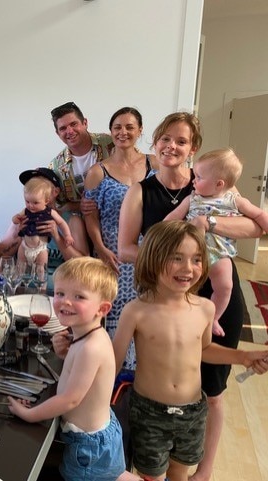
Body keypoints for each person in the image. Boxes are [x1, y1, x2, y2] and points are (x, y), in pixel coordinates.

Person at [116, 111, 263, 481]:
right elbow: (125, 248)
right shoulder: (141, 191)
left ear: (193, 148)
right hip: (166, 294)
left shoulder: (212, 182)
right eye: (165, 138)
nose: (171, 146)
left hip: (216, 295)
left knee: (212, 390)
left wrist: (208, 223)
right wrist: (170, 260)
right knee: (163, 373)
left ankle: (205, 469)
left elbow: (252, 226)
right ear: (155, 142)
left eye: (181, 141)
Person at [113, 220, 268, 481]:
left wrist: (243, 357)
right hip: (149, 414)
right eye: (177, 258)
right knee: (151, 476)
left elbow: (204, 349)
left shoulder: (205, 308)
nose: (188, 268)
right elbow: (113, 362)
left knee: (179, 473)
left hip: (192, 412)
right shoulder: (136, 311)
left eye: (197, 259)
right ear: (152, 259)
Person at [8, 257, 140, 481]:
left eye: (79, 296)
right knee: (112, 475)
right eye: (60, 293)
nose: (66, 302)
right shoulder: (85, 335)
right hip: (97, 435)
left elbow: (70, 400)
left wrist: (29, 414)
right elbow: (82, 377)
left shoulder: (91, 347)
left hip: (88, 447)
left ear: (102, 308)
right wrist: (65, 355)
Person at [164, 148, 268, 337]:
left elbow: (259, 215)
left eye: (199, 177)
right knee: (185, 289)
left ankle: (214, 318)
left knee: (225, 286)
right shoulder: (192, 199)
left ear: (219, 184)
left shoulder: (235, 201)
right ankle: (182, 318)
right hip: (190, 254)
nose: (194, 180)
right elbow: (171, 218)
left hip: (219, 255)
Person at [83, 107, 157, 371]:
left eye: (129, 127)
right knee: (115, 313)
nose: (123, 132)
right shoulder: (98, 172)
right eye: (117, 127)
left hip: (149, 253)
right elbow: (90, 215)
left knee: (149, 311)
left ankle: (146, 373)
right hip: (113, 254)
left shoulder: (155, 164)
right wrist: (101, 248)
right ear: (111, 131)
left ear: (140, 130)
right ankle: (114, 375)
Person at [0, 168, 84, 294]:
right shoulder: (23, 217)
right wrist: (20, 235)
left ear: (55, 192)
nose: (34, 187)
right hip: (21, 287)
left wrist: (57, 236)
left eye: (40, 183)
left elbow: (83, 267)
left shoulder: (71, 220)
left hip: (56, 291)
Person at [48, 101, 115, 255]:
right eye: (63, 128)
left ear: (85, 123)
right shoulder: (56, 166)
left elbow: (135, 166)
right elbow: (60, 206)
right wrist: (80, 206)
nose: (69, 131)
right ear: (58, 133)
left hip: (118, 218)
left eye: (74, 124)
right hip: (82, 229)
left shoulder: (111, 143)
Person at [12, 175, 73, 267]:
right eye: (27, 201)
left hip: (41, 248)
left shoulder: (50, 212)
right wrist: (16, 219)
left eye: (35, 203)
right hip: (24, 246)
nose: (30, 206)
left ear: (46, 201)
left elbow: (61, 223)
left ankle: (41, 275)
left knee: (41, 269)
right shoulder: (25, 211)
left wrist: (68, 235)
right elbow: (15, 219)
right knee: (20, 267)